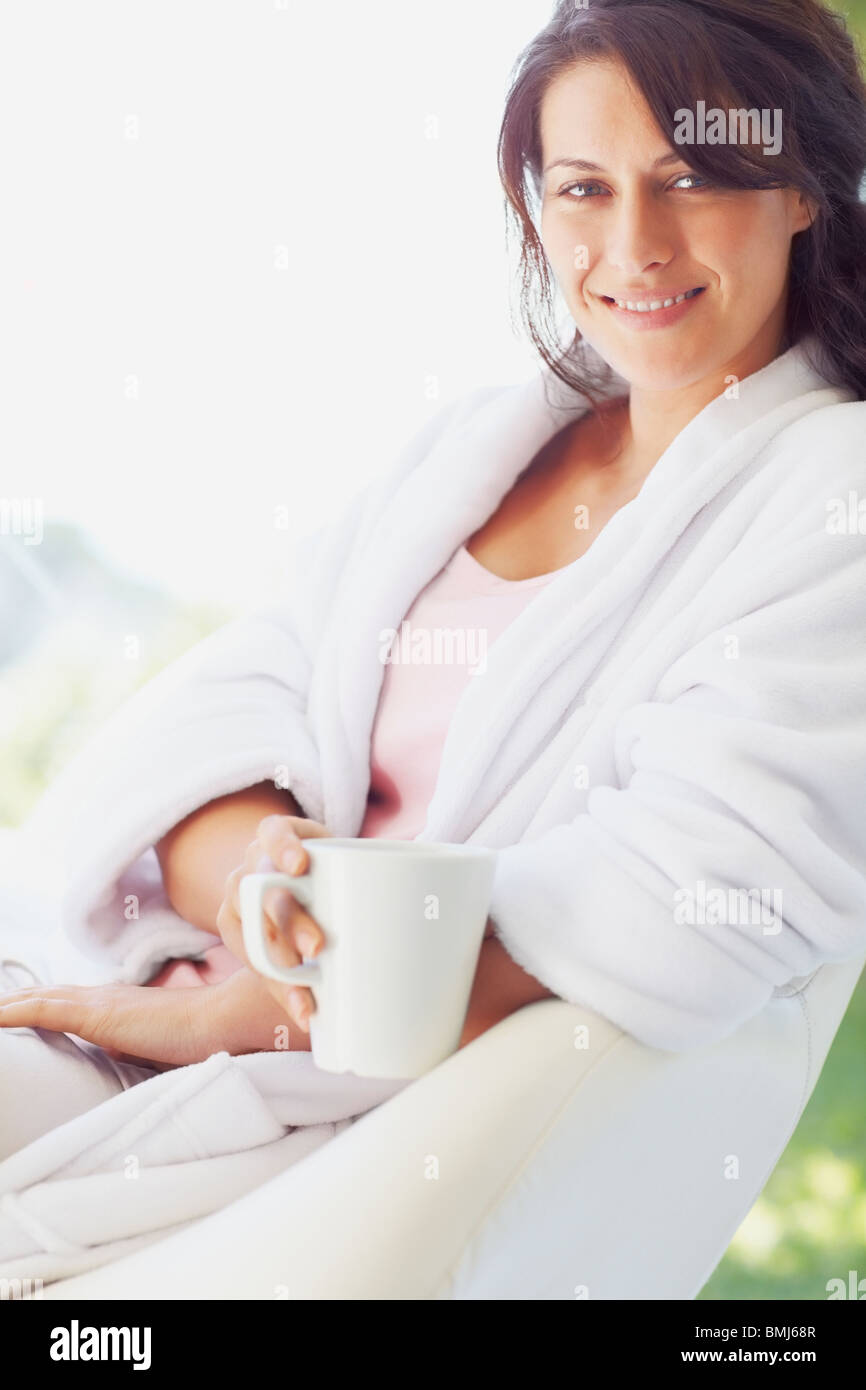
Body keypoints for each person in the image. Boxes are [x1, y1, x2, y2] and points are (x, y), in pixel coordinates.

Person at [2, 0, 866, 1153]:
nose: (635, 245)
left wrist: (279, 1005)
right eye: (582, 189)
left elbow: (699, 879)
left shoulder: (827, 491)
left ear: (802, 186)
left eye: (691, 178)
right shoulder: (473, 447)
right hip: (163, 980)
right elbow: (221, 712)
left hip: (318, 1093)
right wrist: (268, 903)